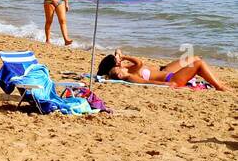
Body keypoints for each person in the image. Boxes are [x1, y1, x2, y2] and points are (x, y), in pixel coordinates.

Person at [97, 50, 227, 90]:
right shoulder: (124, 74)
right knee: (199, 64)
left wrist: (120, 58)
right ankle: (220, 87)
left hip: (167, 72)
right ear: (114, 65)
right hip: (172, 79)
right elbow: (142, 79)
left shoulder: (124, 69)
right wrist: (167, 85)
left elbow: (138, 64)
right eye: (117, 60)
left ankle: (218, 84)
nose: (120, 60)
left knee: (194, 58)